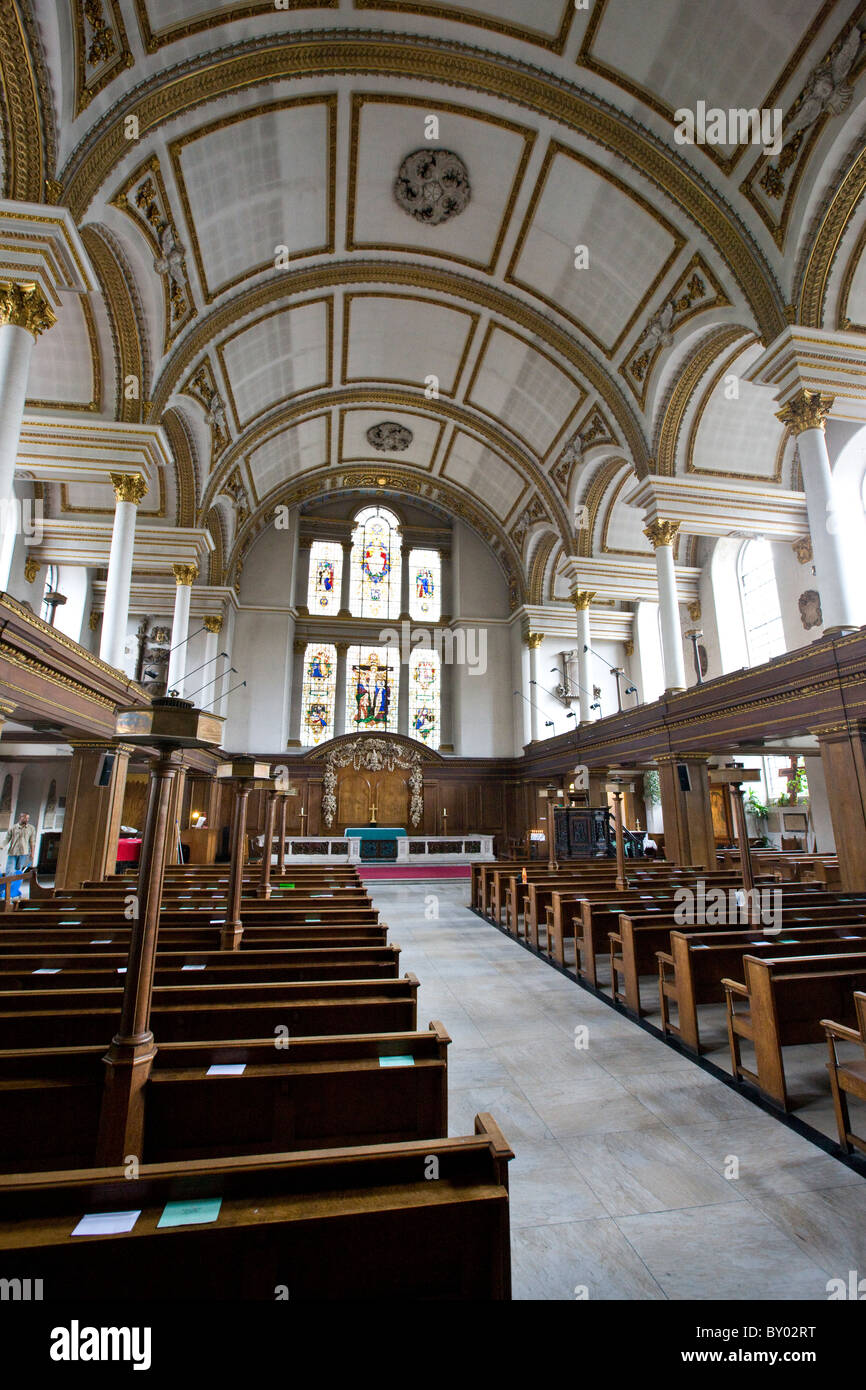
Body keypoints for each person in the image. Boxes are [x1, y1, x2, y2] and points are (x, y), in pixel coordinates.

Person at [4, 813, 36, 900]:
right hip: (12, 852)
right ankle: (7, 890)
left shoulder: (31, 828)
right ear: (20, 817)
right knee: (10, 871)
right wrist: (2, 846)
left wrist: (32, 853)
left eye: (28, 818)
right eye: (25, 818)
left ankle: (14, 890)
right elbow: (7, 838)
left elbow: (32, 842)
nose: (26, 820)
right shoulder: (13, 828)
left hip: (23, 853)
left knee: (19, 872)